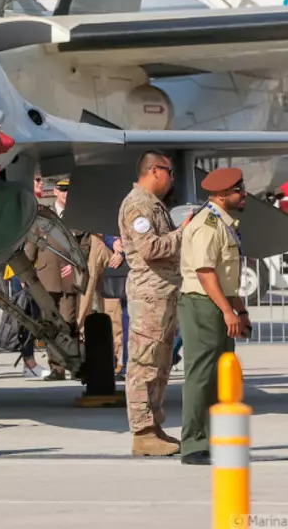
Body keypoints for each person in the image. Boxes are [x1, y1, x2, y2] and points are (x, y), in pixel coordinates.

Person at [176, 166, 251, 466]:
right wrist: (226, 311)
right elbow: (205, 273)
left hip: (216, 302)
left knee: (219, 375)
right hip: (202, 304)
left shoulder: (224, 222)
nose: (243, 195)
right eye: (237, 191)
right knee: (201, 374)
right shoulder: (208, 224)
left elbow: (226, 275)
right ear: (221, 195)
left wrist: (240, 310)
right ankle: (193, 443)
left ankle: (212, 439)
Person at [118, 150, 190, 457]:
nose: (172, 179)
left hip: (162, 293)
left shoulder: (153, 205)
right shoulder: (138, 205)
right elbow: (150, 248)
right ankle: (142, 432)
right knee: (144, 363)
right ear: (155, 171)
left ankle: (154, 425)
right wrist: (182, 233)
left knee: (160, 364)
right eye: (170, 173)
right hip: (150, 294)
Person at [21, 178, 81, 380]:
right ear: (55, 191)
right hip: (46, 276)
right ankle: (56, 367)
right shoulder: (44, 214)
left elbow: (85, 245)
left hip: (69, 278)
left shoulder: (77, 215)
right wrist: (25, 272)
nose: (66, 194)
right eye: (63, 190)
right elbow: (31, 245)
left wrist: (74, 267)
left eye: (70, 191)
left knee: (69, 322)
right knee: (50, 323)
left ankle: (73, 363)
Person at [77, 233, 126, 376]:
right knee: (84, 303)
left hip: (113, 243)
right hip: (93, 242)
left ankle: (116, 357)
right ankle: (82, 354)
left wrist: (120, 250)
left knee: (114, 307)